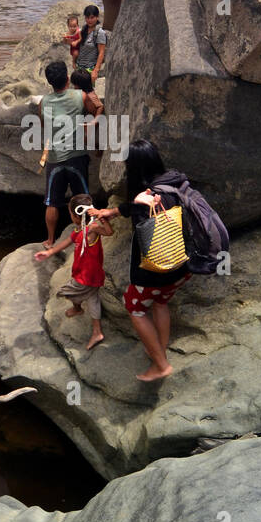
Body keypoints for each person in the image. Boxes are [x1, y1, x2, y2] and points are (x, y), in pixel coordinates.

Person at [90, 139, 190, 382]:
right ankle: (159, 349)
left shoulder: (145, 197)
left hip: (157, 268)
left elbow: (139, 207)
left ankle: (161, 365)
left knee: (134, 306)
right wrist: (112, 212)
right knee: (160, 303)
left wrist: (125, 208)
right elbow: (131, 208)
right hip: (181, 265)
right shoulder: (172, 182)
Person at [33, 194, 114, 350]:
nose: (69, 216)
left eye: (70, 213)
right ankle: (97, 332)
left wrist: (103, 219)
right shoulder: (79, 229)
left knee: (66, 292)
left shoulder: (93, 228)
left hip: (86, 276)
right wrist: (49, 253)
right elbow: (67, 241)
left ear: (76, 215)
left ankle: (77, 308)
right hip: (88, 275)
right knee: (92, 298)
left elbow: (109, 232)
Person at [38, 61, 90, 248]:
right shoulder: (80, 96)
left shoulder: (43, 102)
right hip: (77, 156)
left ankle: (50, 240)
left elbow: (44, 125)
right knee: (83, 198)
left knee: (52, 202)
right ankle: (87, 234)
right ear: (68, 78)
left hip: (54, 159)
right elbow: (94, 110)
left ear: (50, 82)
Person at [70, 67, 103, 154]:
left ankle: (99, 147)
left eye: (75, 84)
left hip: (91, 119)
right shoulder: (85, 91)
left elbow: (100, 106)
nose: (74, 86)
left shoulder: (90, 95)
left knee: (85, 141)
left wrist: (94, 121)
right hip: (87, 116)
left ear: (80, 85)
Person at [75, 4, 107, 83]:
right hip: (79, 67)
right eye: (87, 17)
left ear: (97, 17)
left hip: (90, 69)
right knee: (79, 93)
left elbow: (101, 52)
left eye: (92, 17)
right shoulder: (83, 30)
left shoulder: (100, 33)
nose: (89, 20)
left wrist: (96, 71)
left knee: (88, 93)